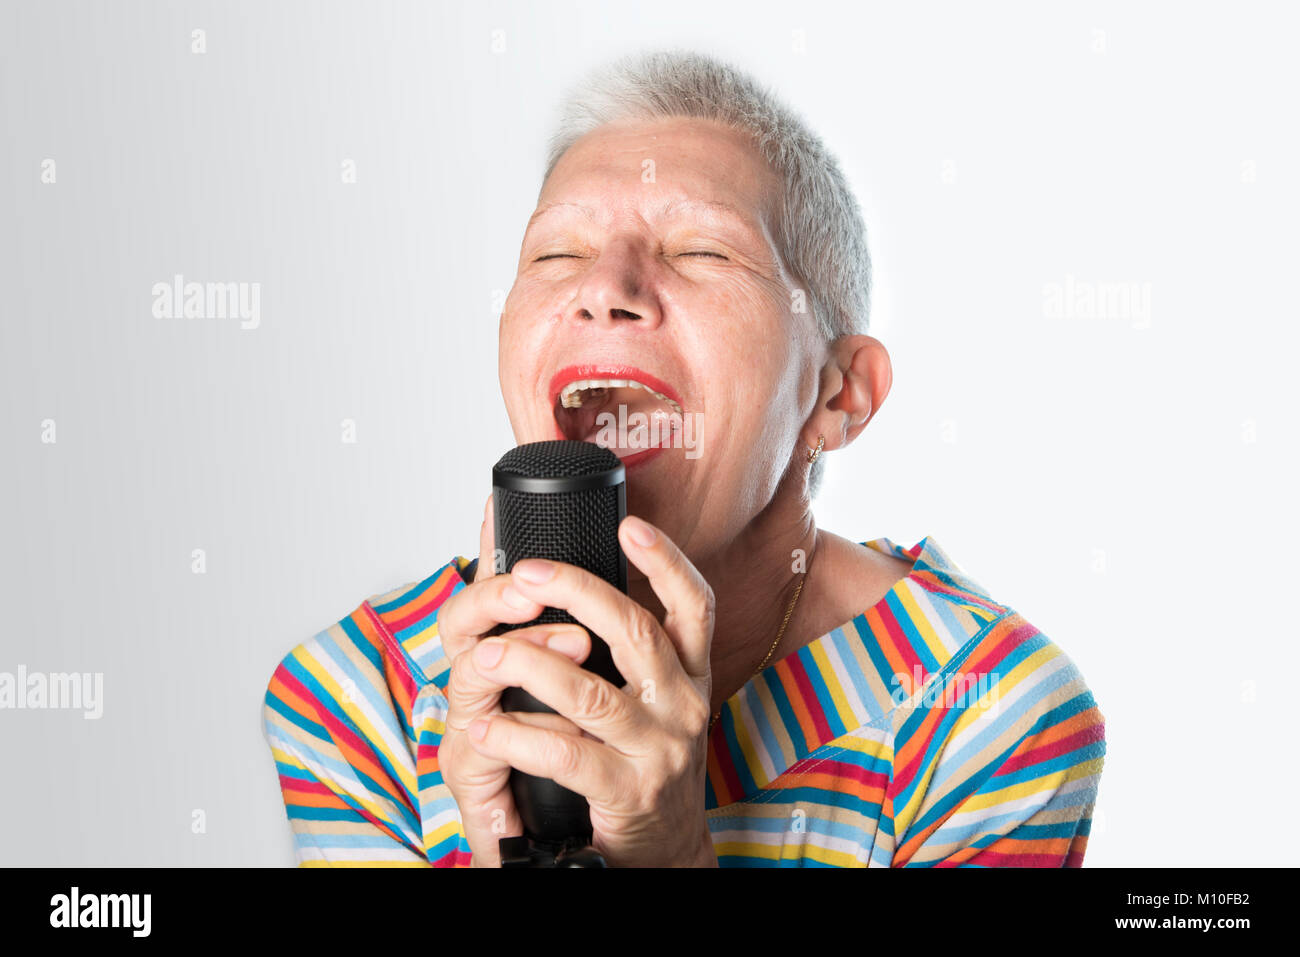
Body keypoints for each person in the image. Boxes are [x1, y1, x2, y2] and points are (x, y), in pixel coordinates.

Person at [262, 50, 1106, 867]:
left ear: (839, 396)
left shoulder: (990, 718)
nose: (606, 287)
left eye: (702, 251)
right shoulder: (356, 698)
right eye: (557, 254)